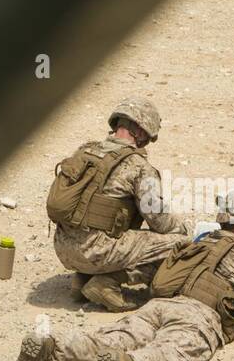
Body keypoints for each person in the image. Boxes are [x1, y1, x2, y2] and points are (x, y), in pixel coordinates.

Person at [14, 188, 234, 361]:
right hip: (198, 317)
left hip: (158, 306)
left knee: (110, 338)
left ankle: (51, 346)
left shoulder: (199, 242)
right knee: (171, 354)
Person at [46, 97, 191, 311]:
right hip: (95, 251)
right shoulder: (139, 167)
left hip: (63, 247)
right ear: (141, 131)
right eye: (147, 138)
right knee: (180, 244)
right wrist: (185, 230)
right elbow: (159, 221)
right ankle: (107, 283)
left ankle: (82, 279)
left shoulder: (85, 152)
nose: (146, 144)